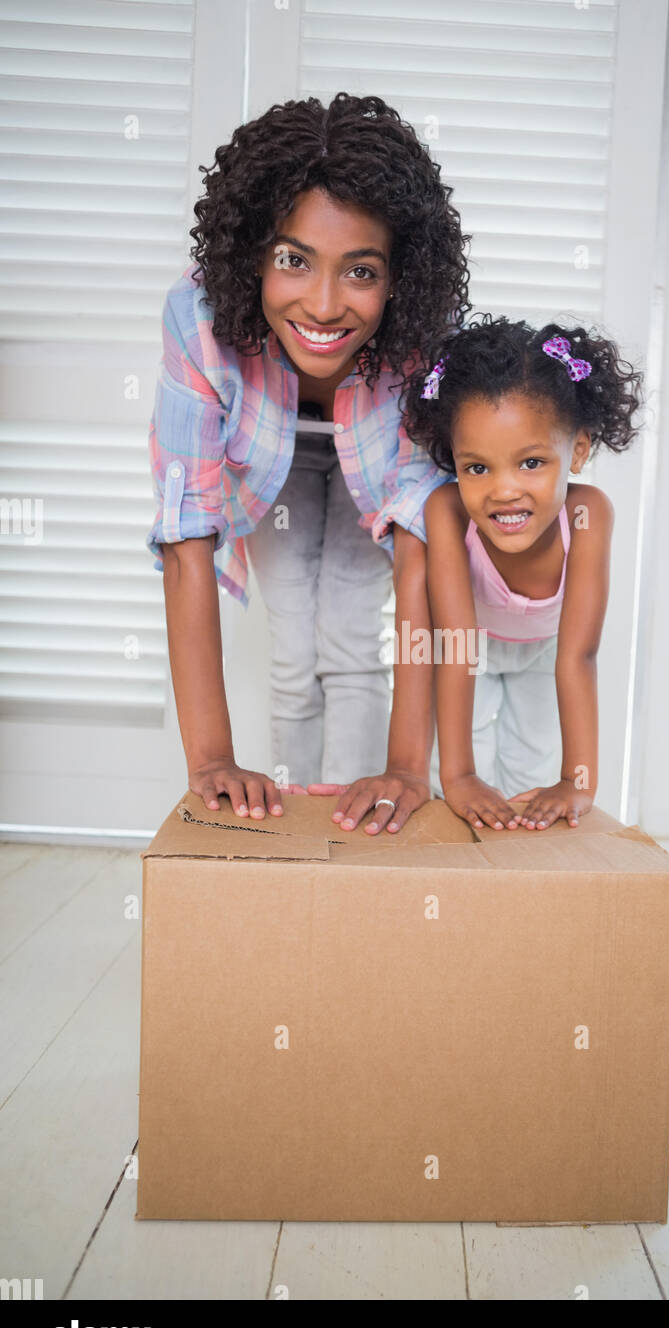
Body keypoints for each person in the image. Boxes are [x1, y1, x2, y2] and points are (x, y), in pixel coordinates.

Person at [147, 93, 467, 824]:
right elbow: (186, 529)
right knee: (293, 650)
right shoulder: (197, 322)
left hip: (377, 463)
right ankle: (297, 838)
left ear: (400, 275)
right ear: (252, 251)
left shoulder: (423, 343)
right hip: (265, 465)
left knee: (352, 640)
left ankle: (356, 835)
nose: (323, 306)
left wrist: (409, 769)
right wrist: (211, 761)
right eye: (294, 260)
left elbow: (422, 533)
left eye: (360, 271)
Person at [401, 315, 643, 832]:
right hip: (474, 651)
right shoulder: (445, 510)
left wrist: (579, 781)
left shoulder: (589, 514)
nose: (504, 490)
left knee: (531, 774)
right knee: (463, 786)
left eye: (531, 463)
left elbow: (579, 653)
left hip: (547, 653)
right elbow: (456, 643)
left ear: (577, 450)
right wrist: (461, 774)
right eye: (478, 467)